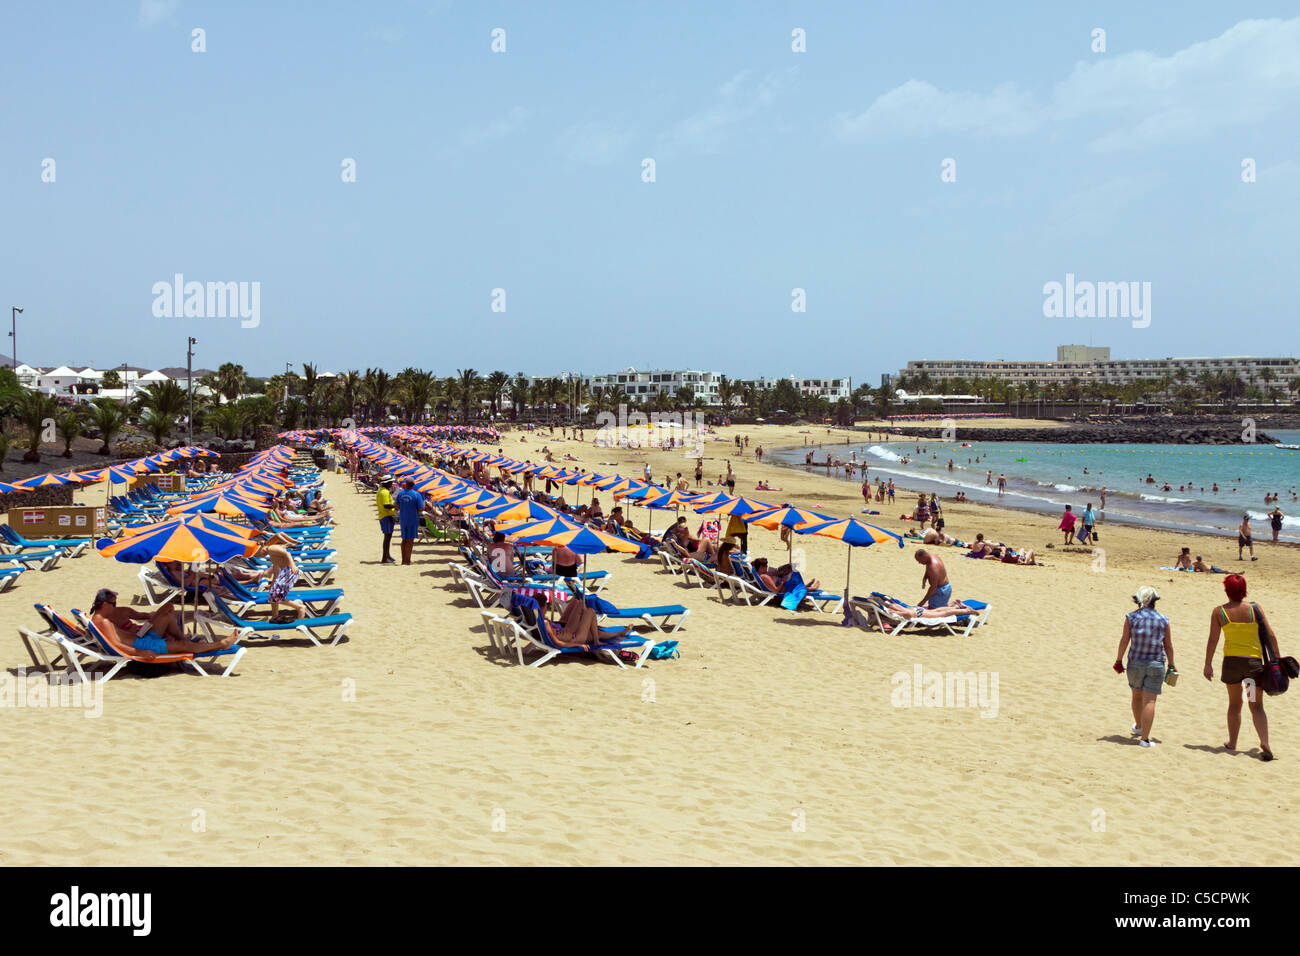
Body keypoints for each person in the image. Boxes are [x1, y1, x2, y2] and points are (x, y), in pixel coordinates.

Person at [1203, 574, 1278, 760]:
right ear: (1244, 590)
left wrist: (1208, 663)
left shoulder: (1219, 612)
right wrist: (1277, 660)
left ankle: (1232, 742)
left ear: (1226, 590)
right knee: (1256, 705)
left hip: (1231, 664)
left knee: (1235, 704)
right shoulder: (1254, 609)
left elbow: (1213, 639)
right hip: (1252, 665)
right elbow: (1271, 635)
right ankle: (1265, 741)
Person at [89, 588, 237, 658]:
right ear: (103, 604)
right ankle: (221, 644)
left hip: (142, 639)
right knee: (184, 646)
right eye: (113, 605)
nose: (115, 608)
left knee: (167, 616)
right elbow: (116, 645)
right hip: (142, 645)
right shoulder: (104, 621)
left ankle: (182, 638)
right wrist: (141, 652)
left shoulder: (97, 620)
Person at [1114, 585, 1174, 749]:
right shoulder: (1163, 619)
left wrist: (1118, 660)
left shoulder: (1131, 617)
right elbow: (1168, 645)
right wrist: (1172, 664)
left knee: (1136, 696)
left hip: (1135, 663)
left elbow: (1124, 640)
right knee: (1150, 700)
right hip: (1156, 663)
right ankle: (1145, 739)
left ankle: (1139, 727)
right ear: (1155, 601)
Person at [395, 479, 425, 566]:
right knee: (410, 540)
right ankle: (408, 561)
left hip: (403, 519)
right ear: (413, 485)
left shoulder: (400, 493)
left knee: (404, 539)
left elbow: (396, 507)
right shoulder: (416, 494)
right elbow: (421, 508)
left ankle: (403, 560)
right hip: (412, 519)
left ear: (406, 484)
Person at [376, 479, 397, 564]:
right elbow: (386, 505)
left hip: (383, 515)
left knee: (388, 538)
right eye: (391, 483)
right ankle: (384, 558)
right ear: (387, 483)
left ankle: (387, 555)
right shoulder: (384, 492)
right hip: (386, 516)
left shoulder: (381, 490)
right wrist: (396, 506)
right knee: (387, 538)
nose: (392, 484)